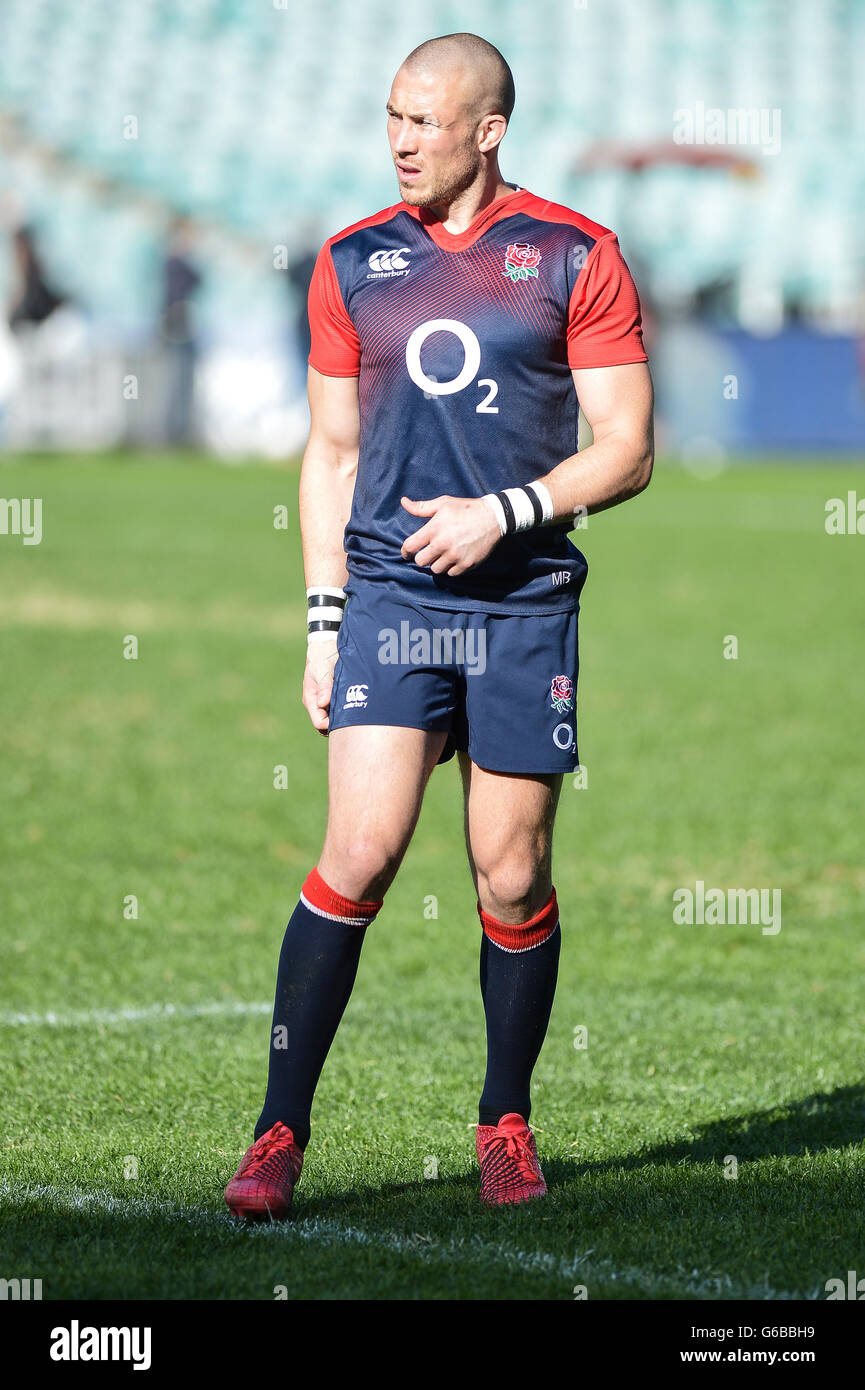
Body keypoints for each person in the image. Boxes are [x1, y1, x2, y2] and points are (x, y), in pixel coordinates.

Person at [225, 32, 653, 1217]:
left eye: (424, 119)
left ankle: (503, 1119)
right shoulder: (353, 259)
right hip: (395, 599)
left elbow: (627, 447)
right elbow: (333, 451)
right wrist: (323, 621)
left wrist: (504, 513)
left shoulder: (575, 253)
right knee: (357, 852)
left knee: (510, 877)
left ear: (488, 129)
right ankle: (276, 1131)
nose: (401, 139)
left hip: (520, 602)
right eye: (392, 117)